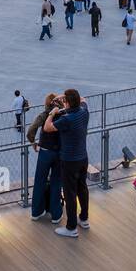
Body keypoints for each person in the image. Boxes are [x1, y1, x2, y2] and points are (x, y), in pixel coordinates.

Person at [46, 89, 90, 237]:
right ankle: (84, 219)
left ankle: (71, 228)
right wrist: (65, 98)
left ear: (68, 102)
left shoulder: (66, 119)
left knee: (70, 193)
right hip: (83, 157)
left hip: (69, 160)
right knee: (82, 188)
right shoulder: (84, 112)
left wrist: (53, 112)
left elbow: (48, 127)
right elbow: (84, 99)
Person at [26, 93, 64, 223]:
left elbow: (31, 130)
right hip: (59, 153)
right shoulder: (64, 115)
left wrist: (33, 143)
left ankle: (36, 212)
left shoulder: (44, 115)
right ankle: (56, 214)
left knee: (39, 181)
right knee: (56, 182)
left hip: (45, 152)